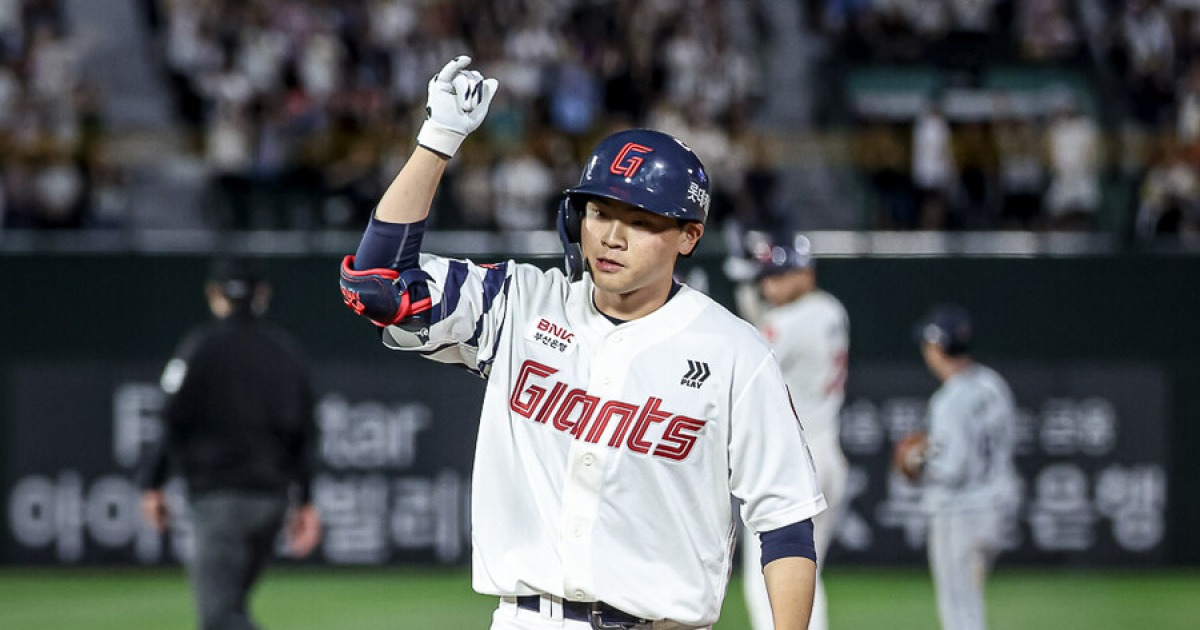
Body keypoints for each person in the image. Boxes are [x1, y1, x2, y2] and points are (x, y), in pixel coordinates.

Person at [338, 55, 826, 630]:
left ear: (689, 235)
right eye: (599, 212)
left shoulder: (735, 352)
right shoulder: (518, 302)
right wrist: (438, 140)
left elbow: (786, 522)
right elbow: (375, 287)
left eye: (641, 221)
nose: (612, 236)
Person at [139, 256, 321, 630]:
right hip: (269, 501)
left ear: (214, 294)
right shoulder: (285, 351)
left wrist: (152, 483)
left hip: (219, 500)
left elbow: (172, 419)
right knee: (232, 607)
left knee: (220, 617)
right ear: (263, 294)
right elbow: (305, 432)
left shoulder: (199, 348)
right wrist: (305, 499)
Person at [728, 233, 849, 630]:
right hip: (826, 453)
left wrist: (748, 308)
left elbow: (744, 357)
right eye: (767, 275)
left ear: (805, 272)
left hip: (794, 464)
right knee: (804, 580)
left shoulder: (789, 320)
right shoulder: (832, 308)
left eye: (780, 274)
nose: (770, 284)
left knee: (772, 587)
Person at [899, 305, 1019, 630]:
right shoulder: (993, 384)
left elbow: (952, 468)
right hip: (995, 508)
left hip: (959, 513)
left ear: (937, 348)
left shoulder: (949, 400)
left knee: (959, 612)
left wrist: (917, 459)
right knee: (970, 603)